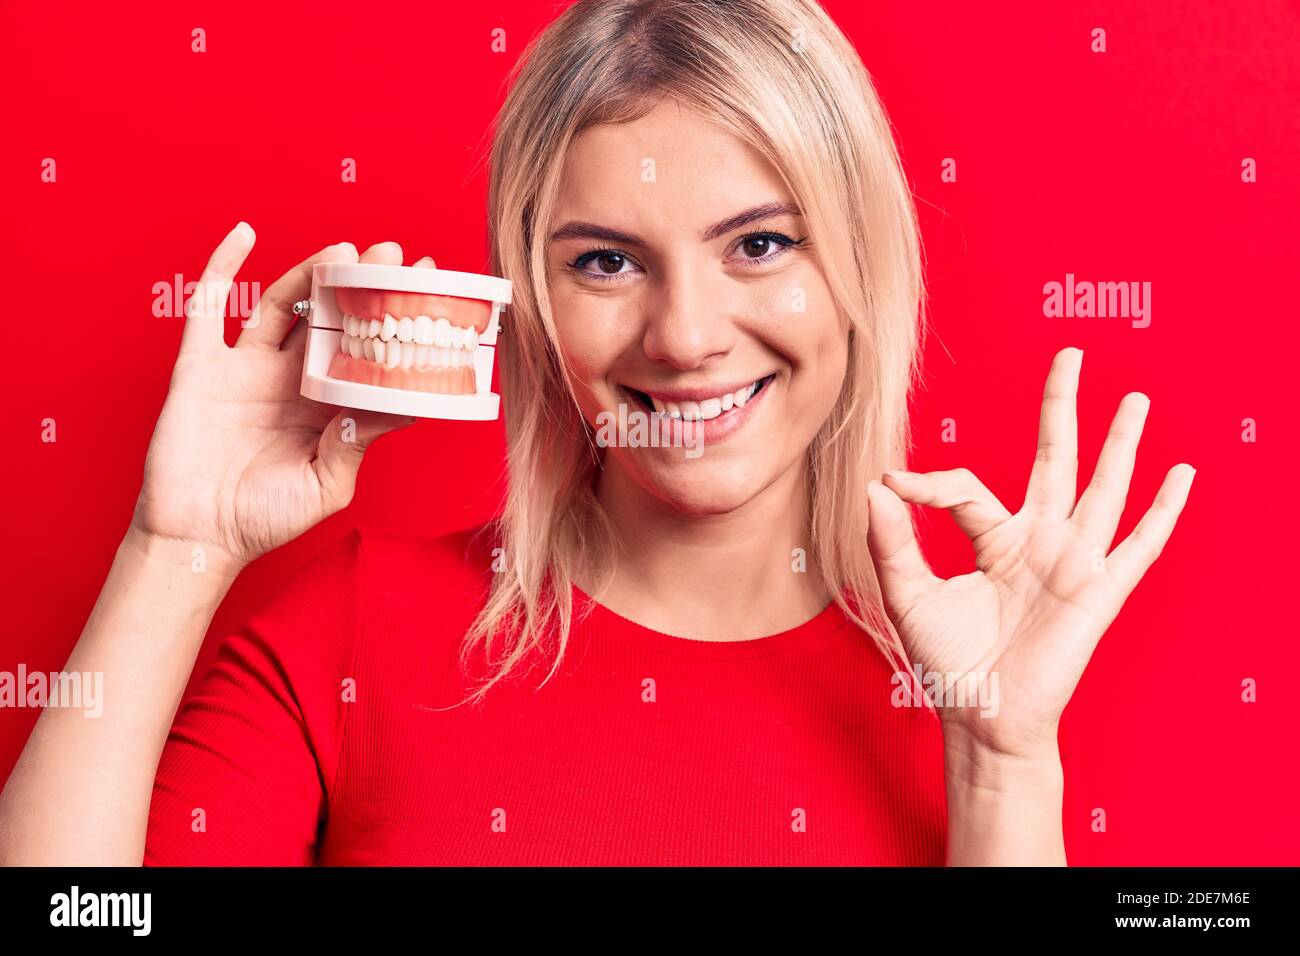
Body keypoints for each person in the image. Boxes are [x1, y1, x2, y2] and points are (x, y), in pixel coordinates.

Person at [0, 0, 1192, 866]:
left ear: (859, 268)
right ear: (529, 294)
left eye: (759, 244)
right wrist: (178, 548)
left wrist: (999, 763)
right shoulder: (353, 635)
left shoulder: (971, 673)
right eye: (606, 262)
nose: (684, 337)